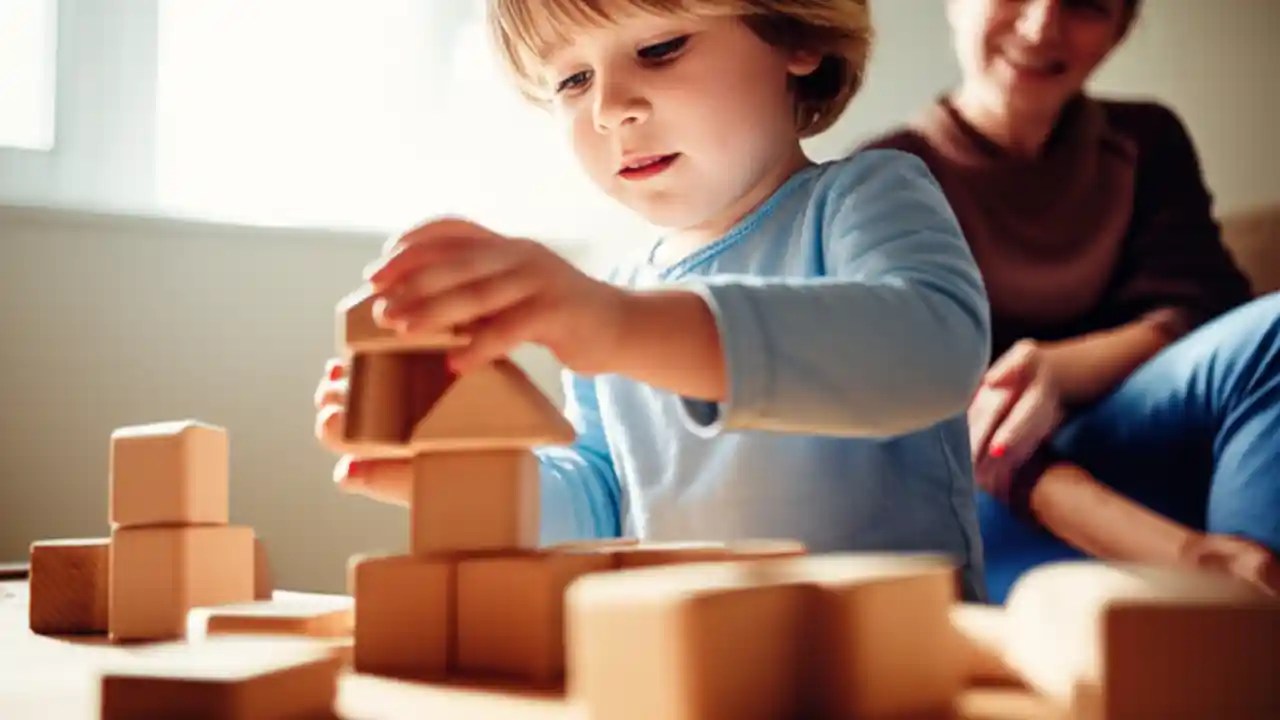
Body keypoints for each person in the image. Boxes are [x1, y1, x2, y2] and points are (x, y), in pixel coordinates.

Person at [314, 0, 994, 598]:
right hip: (698, 666)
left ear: (794, 35)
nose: (611, 108)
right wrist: (446, 483)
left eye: (660, 48)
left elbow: (934, 348)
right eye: (573, 80)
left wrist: (619, 328)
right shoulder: (611, 299)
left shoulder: (865, 197)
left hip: (896, 660)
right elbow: (601, 503)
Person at [866, 0, 1280, 601]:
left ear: (1119, 30)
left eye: (1085, 4)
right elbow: (935, 432)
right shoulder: (882, 182)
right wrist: (1189, 555)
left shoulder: (1146, 140)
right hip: (1000, 505)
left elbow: (1206, 309)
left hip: (1160, 456)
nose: (1041, 27)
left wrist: (1060, 370)